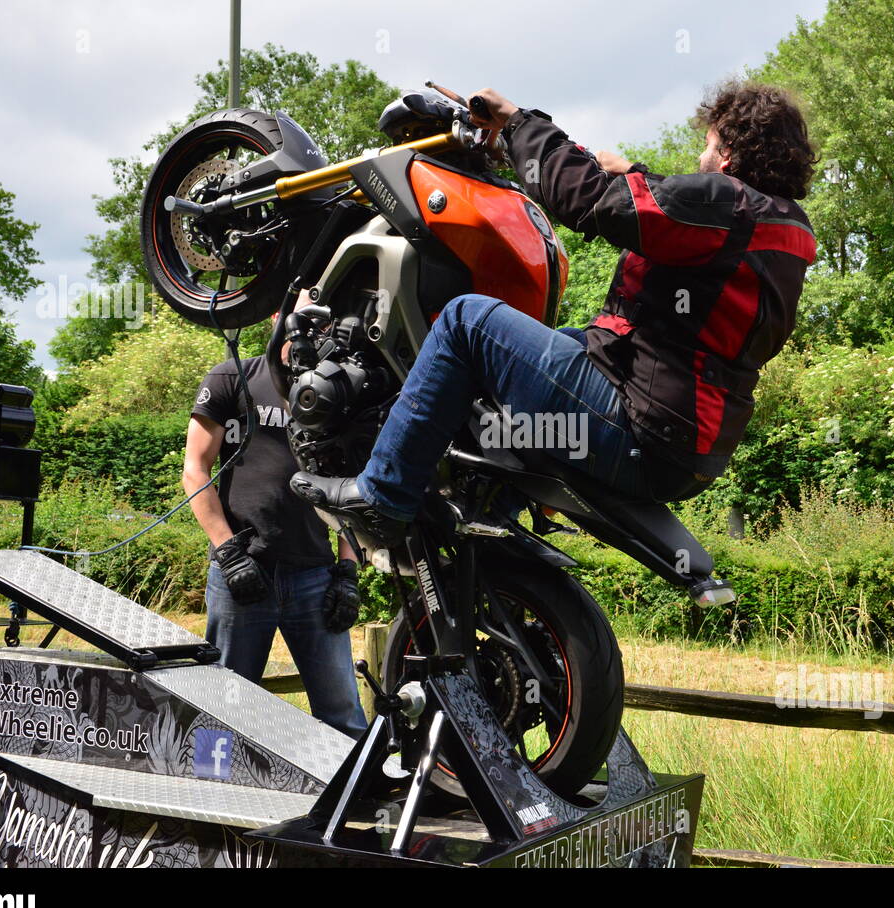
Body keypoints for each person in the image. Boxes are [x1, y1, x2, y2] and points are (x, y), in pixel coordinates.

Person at [290, 81, 818, 533]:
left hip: (641, 430)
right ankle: (489, 504)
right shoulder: (781, 226)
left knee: (465, 322)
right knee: (542, 342)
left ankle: (383, 492)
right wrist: (632, 173)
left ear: (727, 154)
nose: (700, 157)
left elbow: (585, 200)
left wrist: (516, 122)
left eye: (707, 147)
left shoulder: (725, 204)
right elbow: (685, 229)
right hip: (690, 448)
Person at [183, 339, 368, 739]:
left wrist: (348, 571)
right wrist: (229, 553)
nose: (319, 328)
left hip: (316, 579)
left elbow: (351, 487)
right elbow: (195, 470)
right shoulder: (233, 377)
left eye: (328, 320)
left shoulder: (342, 390)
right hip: (241, 572)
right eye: (310, 314)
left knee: (344, 715)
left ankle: (353, 801)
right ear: (279, 317)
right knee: (222, 712)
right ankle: (212, 797)